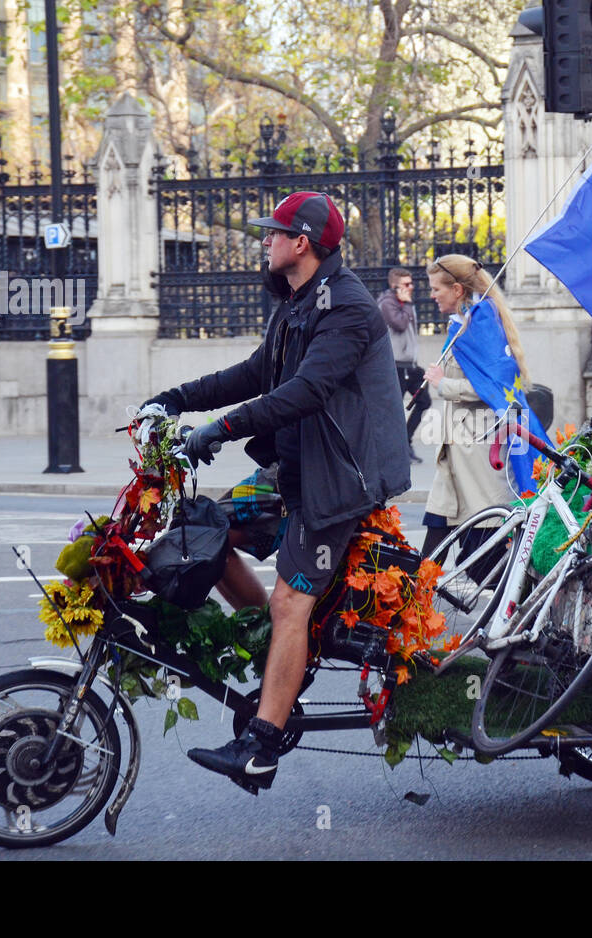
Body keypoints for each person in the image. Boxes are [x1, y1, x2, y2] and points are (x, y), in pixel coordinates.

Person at [138, 191, 410, 790]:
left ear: (303, 242)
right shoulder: (294, 303)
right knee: (204, 531)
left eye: (273, 232)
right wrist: (178, 398)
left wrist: (221, 429)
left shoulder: (347, 309)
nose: (265, 241)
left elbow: (306, 391)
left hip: (337, 482)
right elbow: (257, 373)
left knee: (294, 601)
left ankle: (261, 747)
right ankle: (283, 653)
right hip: (291, 468)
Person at [420, 254, 534, 558]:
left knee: (481, 565)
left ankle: (529, 604)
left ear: (457, 289)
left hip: (478, 463)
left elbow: (498, 387)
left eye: (436, 289)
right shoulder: (461, 325)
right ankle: (415, 603)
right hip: (453, 460)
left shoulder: (481, 325)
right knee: (431, 555)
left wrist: (445, 384)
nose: (431, 295)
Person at [378, 266, 428, 463]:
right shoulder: (386, 303)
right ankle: (393, 450)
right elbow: (399, 324)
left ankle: (405, 441)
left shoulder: (405, 302)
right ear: (394, 285)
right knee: (393, 410)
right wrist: (406, 306)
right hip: (396, 366)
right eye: (406, 284)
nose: (411, 287)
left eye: (411, 283)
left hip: (410, 365)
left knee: (424, 401)